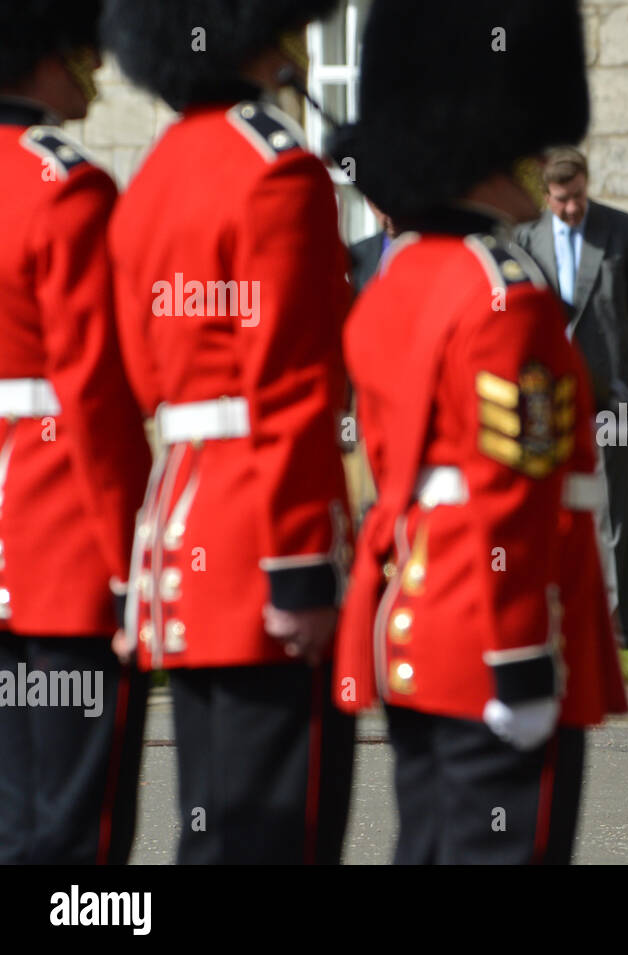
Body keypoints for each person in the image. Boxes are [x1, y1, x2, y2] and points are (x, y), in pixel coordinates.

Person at [330, 0, 628, 864]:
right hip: (493, 636)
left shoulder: (396, 280)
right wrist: (519, 658)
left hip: (418, 617)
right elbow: (507, 498)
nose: (541, 165)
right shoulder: (506, 294)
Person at [103, 0, 356, 863]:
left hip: (181, 535)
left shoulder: (157, 170)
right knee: (279, 834)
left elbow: (141, 372)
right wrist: (300, 570)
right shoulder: (279, 169)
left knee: (213, 829)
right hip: (263, 538)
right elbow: (289, 385)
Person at [0, 0, 151, 865]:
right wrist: (130, 561)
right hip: (61, 562)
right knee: (77, 844)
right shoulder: (67, 186)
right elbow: (99, 405)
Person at [515, 148, 628, 649]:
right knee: (547, 504)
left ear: (587, 183)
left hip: (611, 397)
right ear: (546, 195)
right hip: (543, 397)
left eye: (577, 197)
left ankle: (618, 623)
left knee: (613, 509)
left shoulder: (625, 231)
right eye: (561, 201)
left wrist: (623, 378)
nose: (571, 208)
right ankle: (558, 614)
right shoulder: (524, 237)